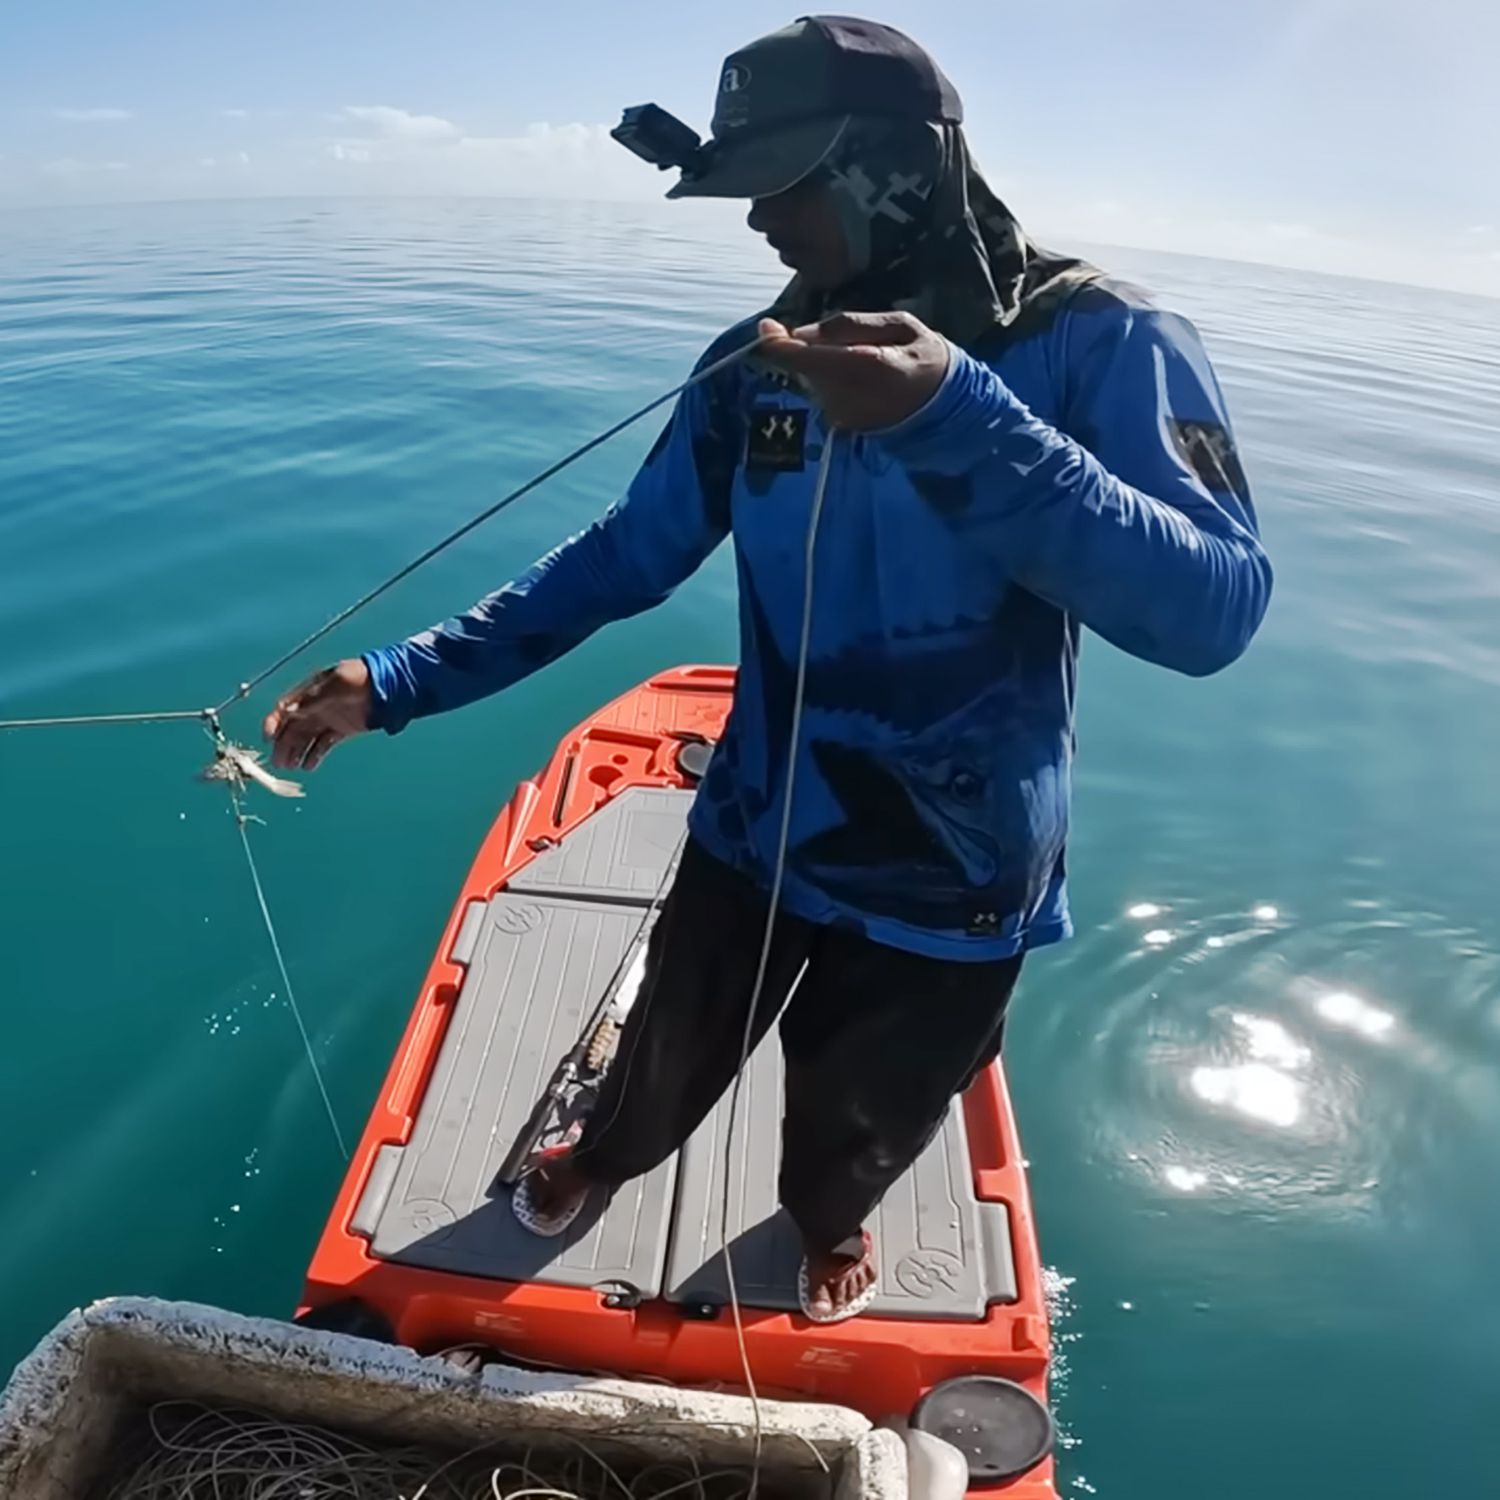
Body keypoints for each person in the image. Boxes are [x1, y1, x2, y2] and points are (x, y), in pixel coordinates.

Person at [264, 16, 1272, 1323]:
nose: (757, 226)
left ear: (891, 168)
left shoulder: (1103, 342)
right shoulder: (755, 369)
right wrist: (397, 683)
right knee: (659, 1061)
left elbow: (1217, 610)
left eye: (783, 186)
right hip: (754, 826)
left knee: (861, 1121)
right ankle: (604, 1154)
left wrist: (959, 419)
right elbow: (625, 557)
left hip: (956, 877)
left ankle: (828, 1218)